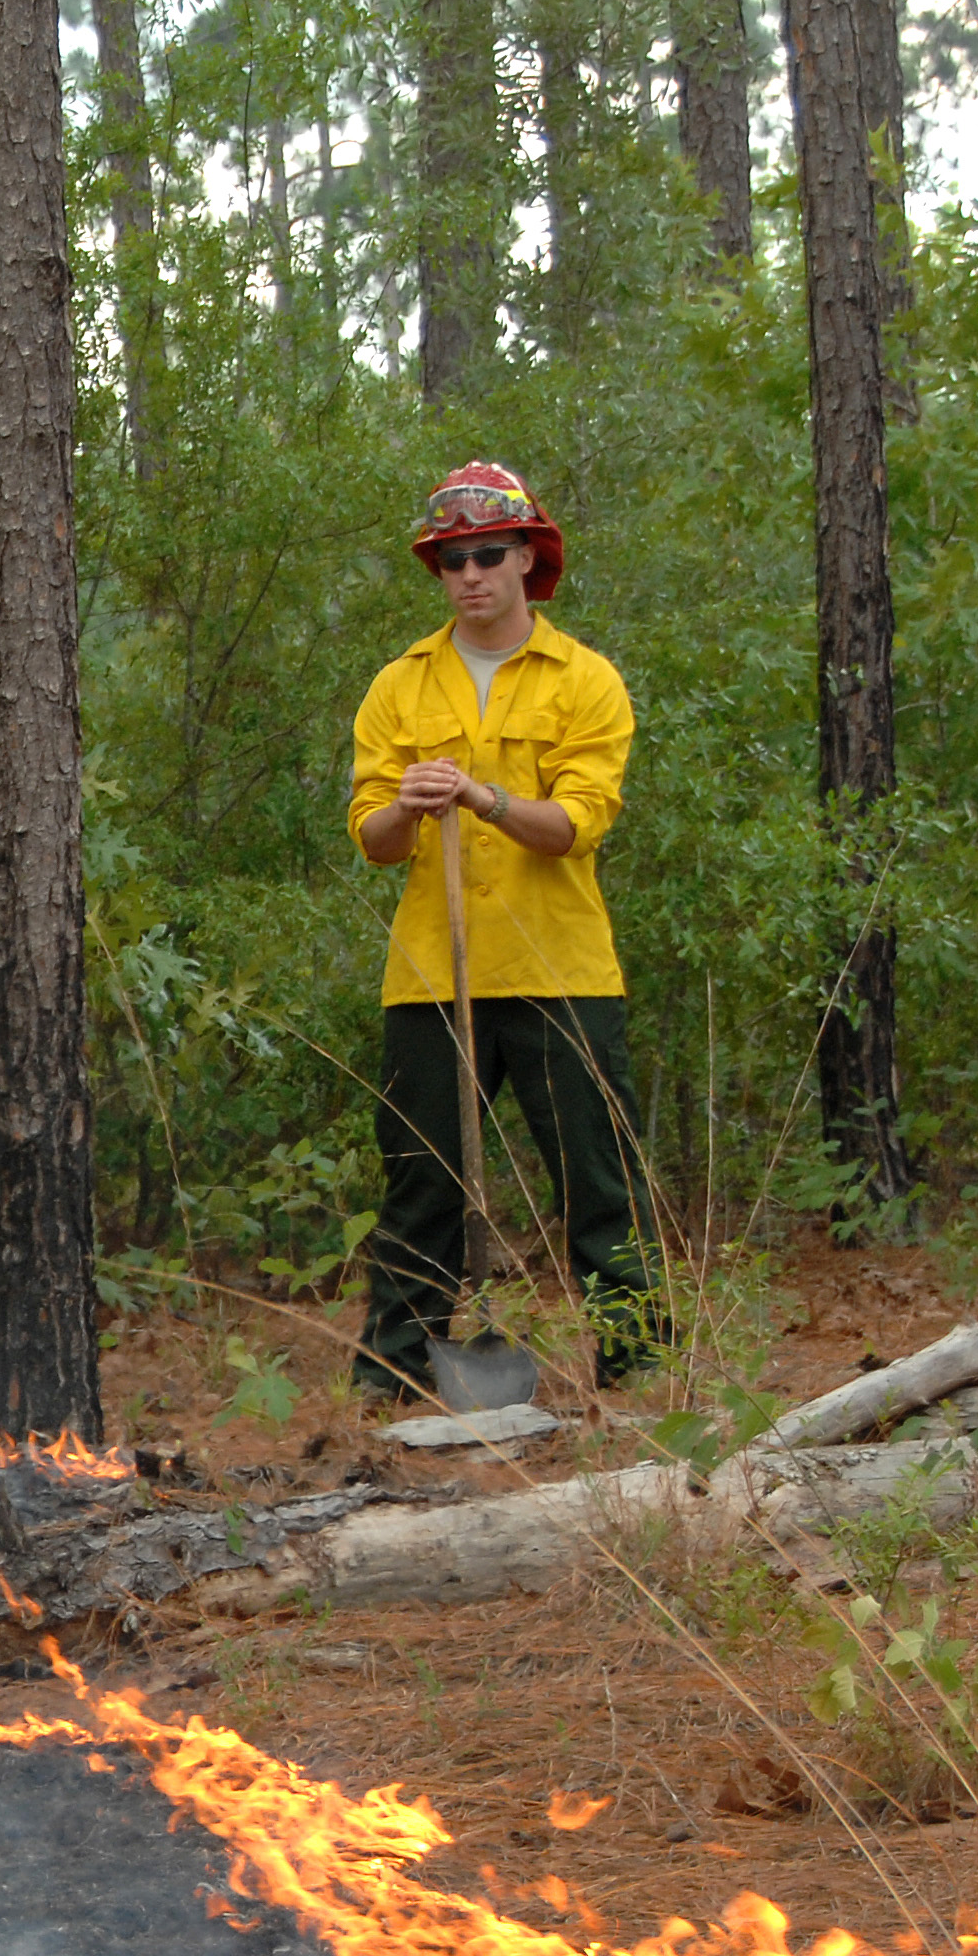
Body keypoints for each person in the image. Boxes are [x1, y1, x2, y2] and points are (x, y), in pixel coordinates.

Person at [342, 463, 658, 1404]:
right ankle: (393, 1378)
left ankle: (639, 1369)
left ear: (528, 557)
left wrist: (480, 796)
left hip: (562, 968)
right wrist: (406, 806)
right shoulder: (400, 685)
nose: (469, 574)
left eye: (487, 555)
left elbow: (578, 826)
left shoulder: (586, 681)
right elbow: (371, 839)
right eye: (450, 560)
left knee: (598, 1180)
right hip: (433, 975)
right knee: (420, 1183)